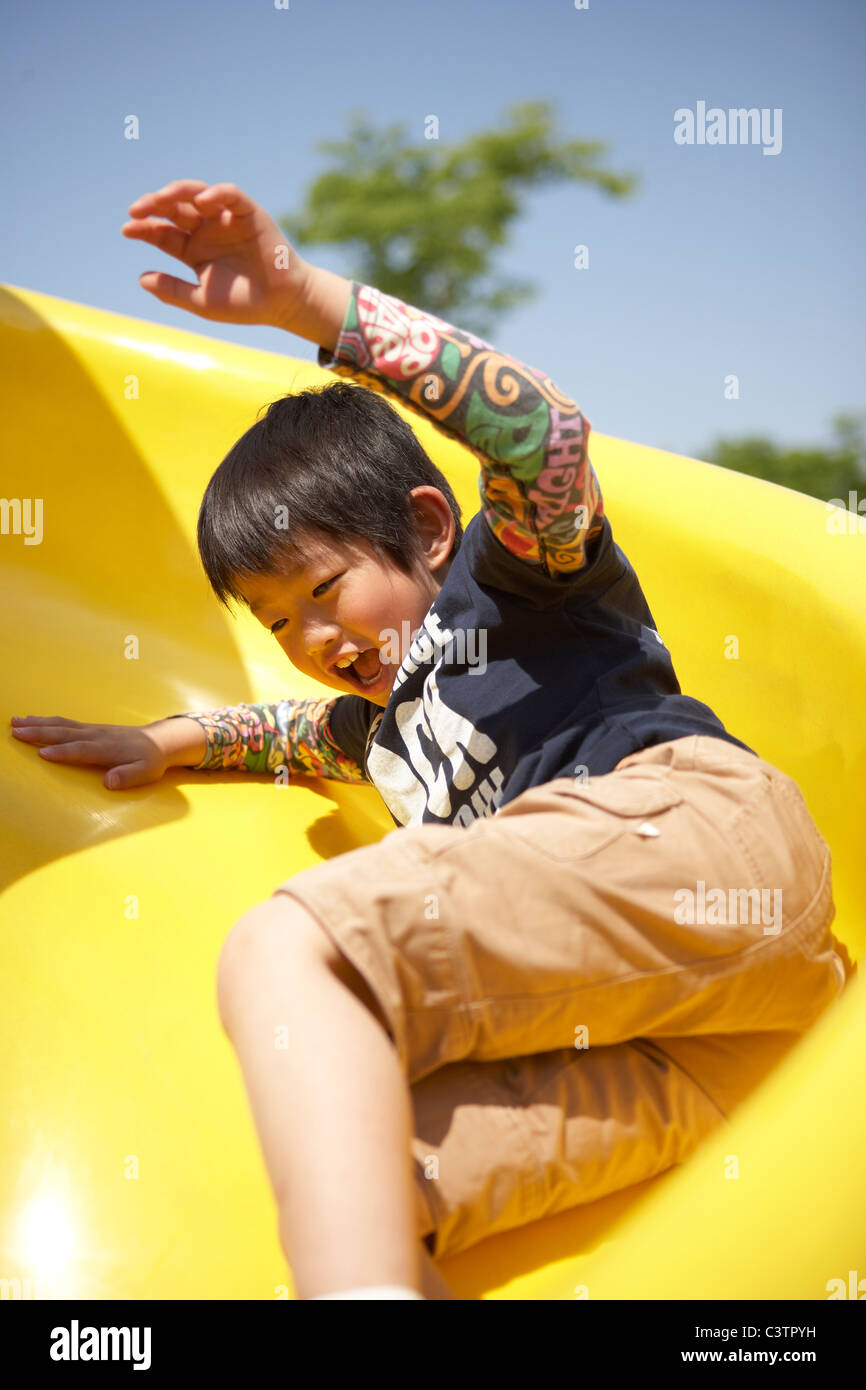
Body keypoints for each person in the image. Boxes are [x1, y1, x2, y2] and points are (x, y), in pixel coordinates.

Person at [10, 180, 856, 1302]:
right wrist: (164, 741)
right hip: (715, 1049)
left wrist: (310, 301)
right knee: (365, 1164)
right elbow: (286, 734)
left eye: (322, 592)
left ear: (425, 524)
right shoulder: (378, 730)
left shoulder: (511, 590)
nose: (310, 639)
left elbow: (545, 439)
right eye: (274, 625)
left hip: (694, 845)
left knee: (286, 949)